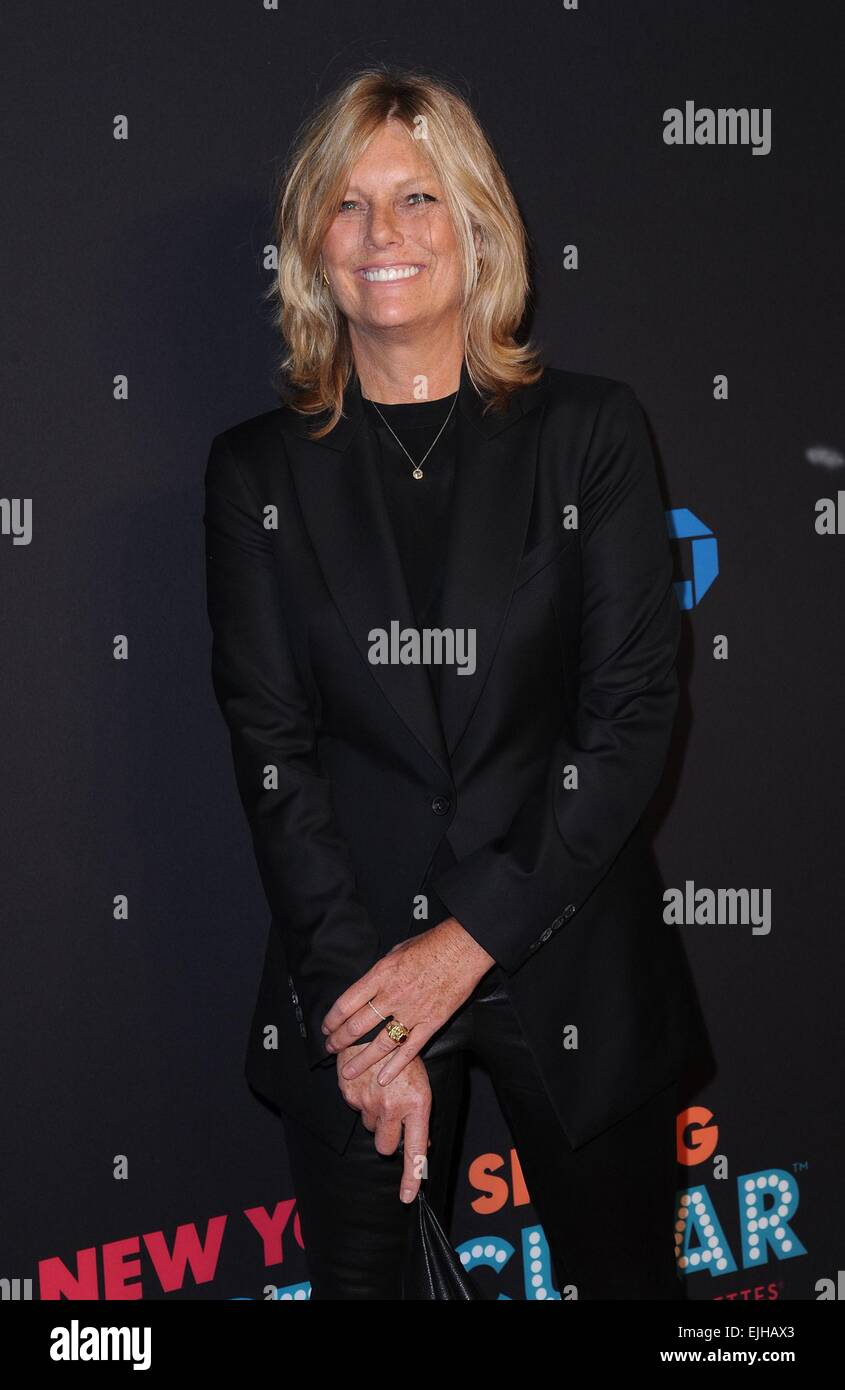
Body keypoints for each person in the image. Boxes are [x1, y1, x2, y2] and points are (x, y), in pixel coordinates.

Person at [203, 66, 708, 1300]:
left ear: (477, 227)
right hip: (354, 982)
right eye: (349, 204)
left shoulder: (588, 434)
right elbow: (275, 755)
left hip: (570, 956)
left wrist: (465, 941)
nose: (384, 236)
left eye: (418, 198)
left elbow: (631, 719)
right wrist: (375, 1017)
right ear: (310, 246)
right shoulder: (253, 473)